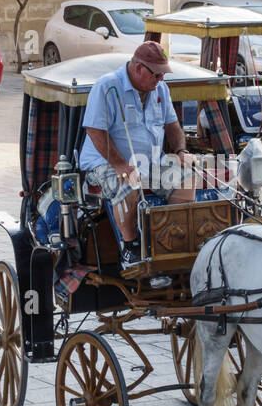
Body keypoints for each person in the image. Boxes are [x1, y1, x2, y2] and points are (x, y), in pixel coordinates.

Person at [79, 41, 196, 266]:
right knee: (128, 183)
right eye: (157, 75)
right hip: (104, 162)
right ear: (139, 68)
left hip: (150, 161)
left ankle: (170, 240)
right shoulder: (107, 87)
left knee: (188, 182)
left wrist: (181, 151)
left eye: (163, 75)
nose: (161, 80)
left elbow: (172, 126)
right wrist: (120, 164)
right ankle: (129, 246)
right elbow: (95, 130)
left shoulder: (160, 89)